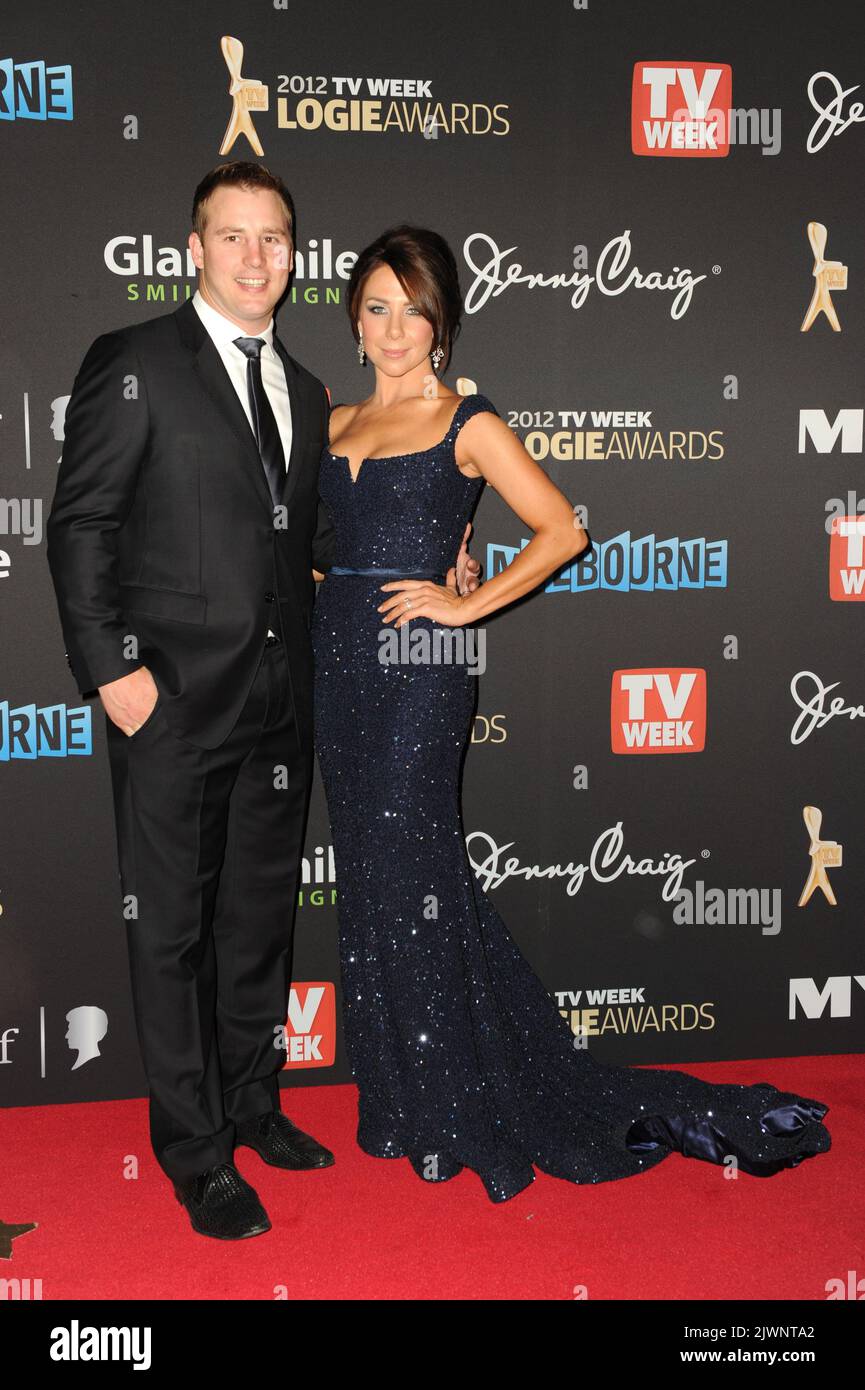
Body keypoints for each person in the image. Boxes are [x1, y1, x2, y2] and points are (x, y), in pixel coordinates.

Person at [310, 225, 832, 1203]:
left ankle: (455, 1111)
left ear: (441, 322)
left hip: (422, 668)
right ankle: (397, 1099)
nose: (392, 326)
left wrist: (460, 601)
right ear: (354, 316)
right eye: (375, 306)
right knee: (377, 883)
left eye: (410, 308)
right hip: (336, 673)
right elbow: (314, 551)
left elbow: (563, 530)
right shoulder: (330, 421)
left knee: (415, 874)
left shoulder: (465, 421)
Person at [46, 161, 474, 1242]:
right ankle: (195, 1153)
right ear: (194, 249)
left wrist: (446, 557)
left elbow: (322, 543)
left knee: (254, 930)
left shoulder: (307, 389)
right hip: (172, 706)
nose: (254, 257)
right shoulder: (134, 362)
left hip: (283, 710)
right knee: (172, 935)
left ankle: (252, 1106)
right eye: (232, 236)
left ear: (293, 255)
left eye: (273, 239)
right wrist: (113, 675)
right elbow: (82, 525)